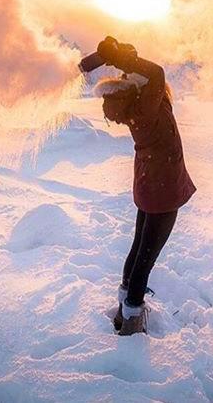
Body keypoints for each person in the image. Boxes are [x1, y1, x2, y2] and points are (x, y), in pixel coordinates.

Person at [80, 36, 196, 336]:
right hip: (162, 187)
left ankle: (124, 307)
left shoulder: (133, 101)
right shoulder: (144, 106)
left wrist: (115, 56)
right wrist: (119, 57)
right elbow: (156, 73)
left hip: (151, 183)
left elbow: (146, 75)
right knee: (146, 256)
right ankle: (131, 320)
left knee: (138, 249)